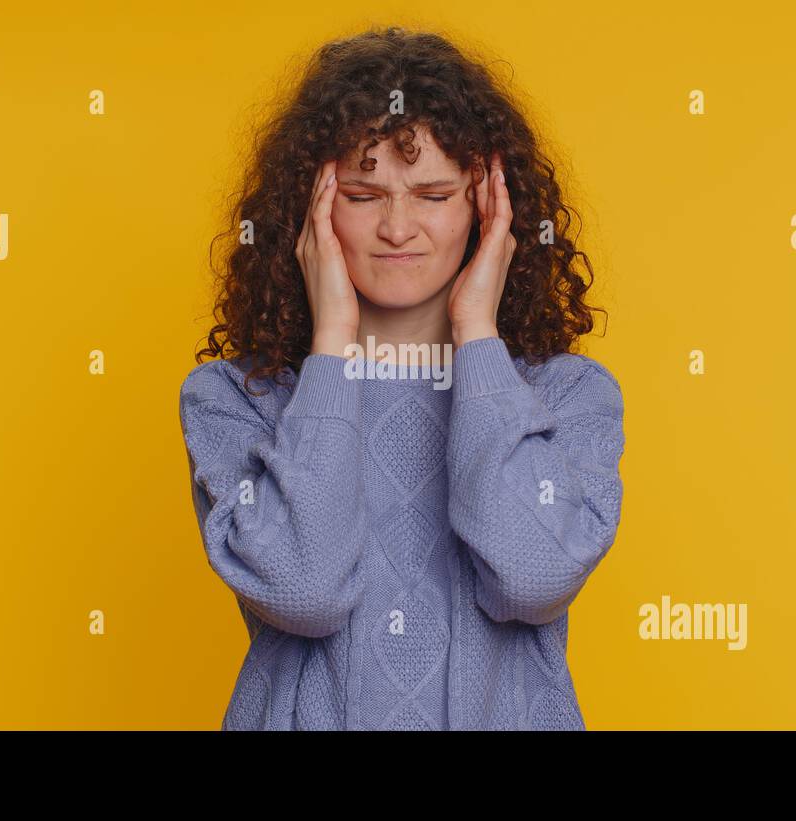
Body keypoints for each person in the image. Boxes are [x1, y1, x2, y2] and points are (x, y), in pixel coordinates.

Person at [179, 26, 625, 730]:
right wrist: (333, 343)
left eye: (433, 193)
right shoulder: (235, 400)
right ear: (311, 208)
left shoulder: (568, 397)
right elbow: (307, 589)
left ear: (487, 207)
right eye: (361, 194)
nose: (397, 227)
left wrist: (476, 335)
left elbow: (532, 578)